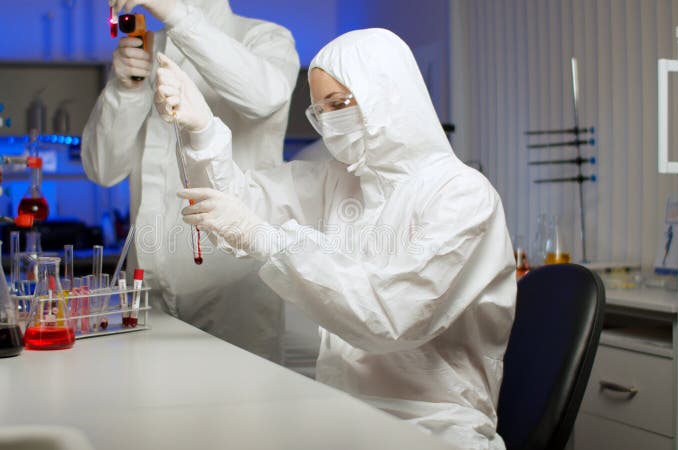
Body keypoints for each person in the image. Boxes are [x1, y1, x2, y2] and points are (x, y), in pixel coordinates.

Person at [155, 29, 517, 449]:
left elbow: (388, 316)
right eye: (319, 110)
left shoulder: (461, 196)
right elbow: (244, 203)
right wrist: (202, 129)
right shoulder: (342, 181)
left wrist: (266, 239)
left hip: (433, 427)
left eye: (339, 104)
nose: (327, 121)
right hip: (345, 411)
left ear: (388, 94)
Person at [81, 0, 300, 362]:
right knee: (152, 416)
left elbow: (264, 99)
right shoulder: (149, 49)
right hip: (148, 291)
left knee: (239, 416)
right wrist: (126, 89)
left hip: (234, 294)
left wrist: (174, 14)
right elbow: (102, 169)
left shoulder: (264, 38)